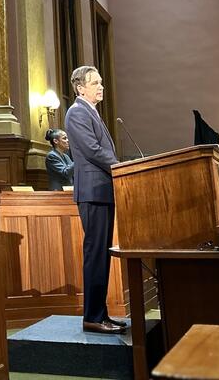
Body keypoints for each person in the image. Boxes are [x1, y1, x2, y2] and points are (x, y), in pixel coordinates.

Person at [64, 65, 125, 334]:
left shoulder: (91, 112)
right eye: (95, 83)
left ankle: (101, 314)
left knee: (101, 255)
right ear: (80, 88)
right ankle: (93, 317)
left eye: (101, 82)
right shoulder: (77, 112)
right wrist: (122, 167)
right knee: (95, 255)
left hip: (102, 191)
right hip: (93, 191)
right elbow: (92, 150)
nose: (101, 87)